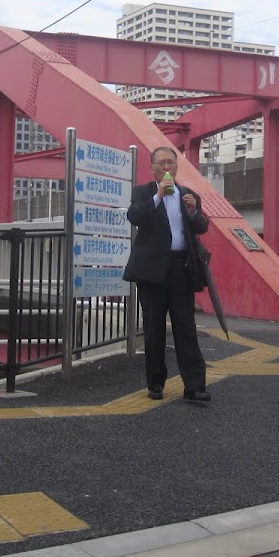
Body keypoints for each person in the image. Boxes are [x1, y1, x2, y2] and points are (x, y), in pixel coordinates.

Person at [122, 146, 211, 402]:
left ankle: (194, 386)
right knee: (154, 328)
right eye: (161, 163)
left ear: (177, 166)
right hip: (151, 271)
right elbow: (135, 216)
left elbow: (201, 227)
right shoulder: (144, 193)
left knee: (186, 327)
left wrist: (194, 212)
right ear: (152, 168)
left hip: (181, 268)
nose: (167, 167)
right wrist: (158, 196)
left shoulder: (188, 195)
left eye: (171, 162)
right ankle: (155, 383)